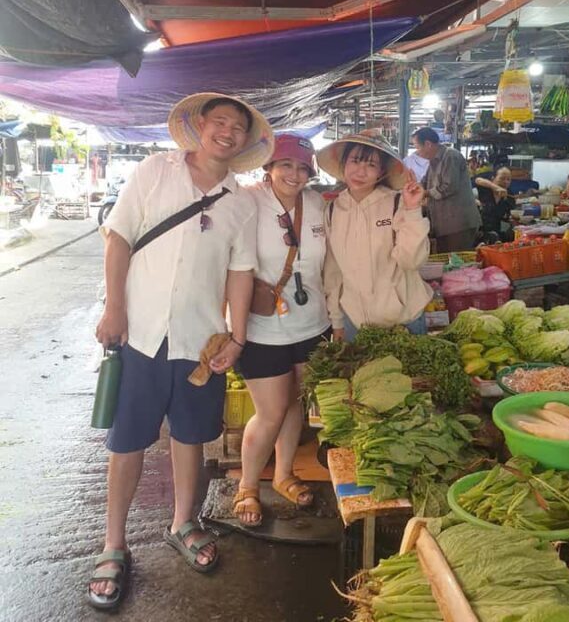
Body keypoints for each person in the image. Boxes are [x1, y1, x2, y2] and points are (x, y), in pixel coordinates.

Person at [88, 92, 273, 610]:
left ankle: (183, 523)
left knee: (190, 436)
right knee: (127, 441)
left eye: (238, 127)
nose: (227, 132)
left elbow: (241, 273)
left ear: (245, 141)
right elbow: (119, 239)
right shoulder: (155, 170)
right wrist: (114, 310)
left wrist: (237, 336)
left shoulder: (241, 202)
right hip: (141, 333)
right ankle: (113, 544)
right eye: (220, 121)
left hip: (201, 340)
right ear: (200, 126)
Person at [233, 134, 331, 527]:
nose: (295, 174)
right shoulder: (247, 201)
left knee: (295, 404)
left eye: (303, 168)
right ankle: (247, 485)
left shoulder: (316, 204)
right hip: (263, 328)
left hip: (313, 323)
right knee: (270, 412)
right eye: (286, 165)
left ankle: (284, 473)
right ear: (269, 167)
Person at [318, 129, 432, 342]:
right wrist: (337, 321)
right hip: (355, 322)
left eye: (371, 165)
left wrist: (412, 210)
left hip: (403, 318)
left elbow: (411, 261)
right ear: (344, 164)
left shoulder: (397, 203)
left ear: (381, 172)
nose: (361, 172)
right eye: (355, 161)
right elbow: (333, 272)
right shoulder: (333, 210)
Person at [412, 127, 481, 253]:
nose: (417, 152)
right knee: (446, 260)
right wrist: (413, 188)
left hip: (458, 225)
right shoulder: (433, 162)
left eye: (417, 147)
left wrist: (424, 193)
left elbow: (449, 187)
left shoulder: (450, 156)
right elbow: (424, 183)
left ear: (428, 144)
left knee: (456, 261)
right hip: (444, 225)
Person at [475, 167, 515, 240]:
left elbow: (508, 215)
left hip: (496, 233)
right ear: (493, 178)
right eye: (502, 178)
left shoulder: (509, 196)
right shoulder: (484, 189)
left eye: (508, 179)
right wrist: (495, 187)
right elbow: (478, 180)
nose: (506, 182)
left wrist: (512, 219)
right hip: (478, 232)